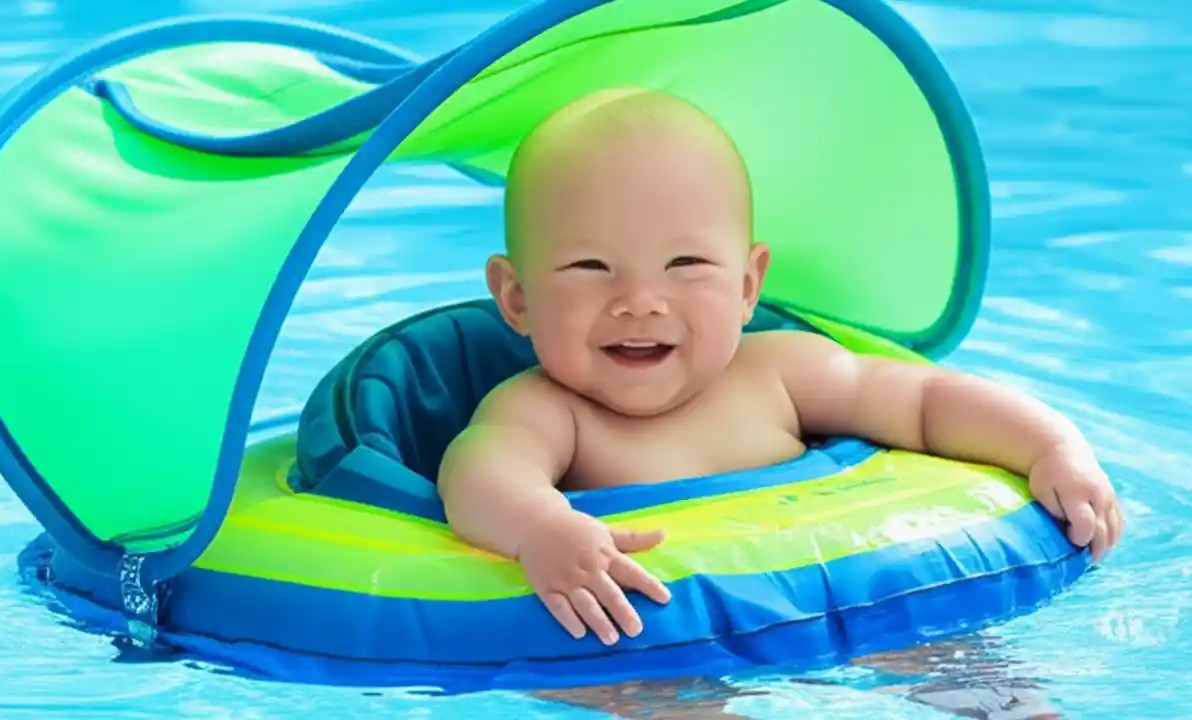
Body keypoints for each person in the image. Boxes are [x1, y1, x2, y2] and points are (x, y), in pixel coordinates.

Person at [436, 86, 1122, 649]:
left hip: (853, 592)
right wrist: (540, 530)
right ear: (517, 298)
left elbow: (924, 402)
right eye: (590, 267)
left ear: (746, 284)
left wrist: (1050, 447)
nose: (639, 303)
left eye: (686, 265)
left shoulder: (779, 374)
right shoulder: (544, 410)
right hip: (666, 637)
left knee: (963, 667)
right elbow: (479, 473)